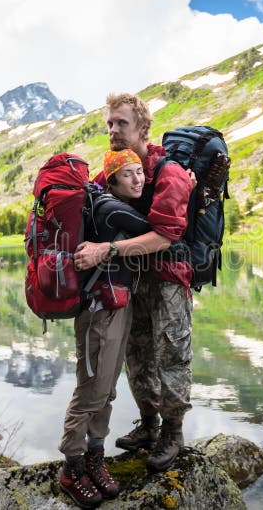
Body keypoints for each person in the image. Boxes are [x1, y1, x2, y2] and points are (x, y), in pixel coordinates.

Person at [73, 92, 193, 473]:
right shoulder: (112, 169)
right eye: (109, 123)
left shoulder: (169, 173)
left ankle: (172, 433)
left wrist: (106, 250)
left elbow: (165, 236)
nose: (113, 130)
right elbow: (87, 201)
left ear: (142, 127)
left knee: (171, 355)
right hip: (133, 281)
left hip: (168, 279)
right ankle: (149, 424)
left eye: (121, 123)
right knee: (136, 356)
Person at [58, 149, 150, 508]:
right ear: (111, 180)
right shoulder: (110, 209)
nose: (138, 179)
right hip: (99, 313)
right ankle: (72, 465)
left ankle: (96, 458)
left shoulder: (110, 206)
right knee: (92, 389)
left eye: (140, 172)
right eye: (128, 174)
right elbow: (160, 231)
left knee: (107, 388)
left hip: (114, 306)